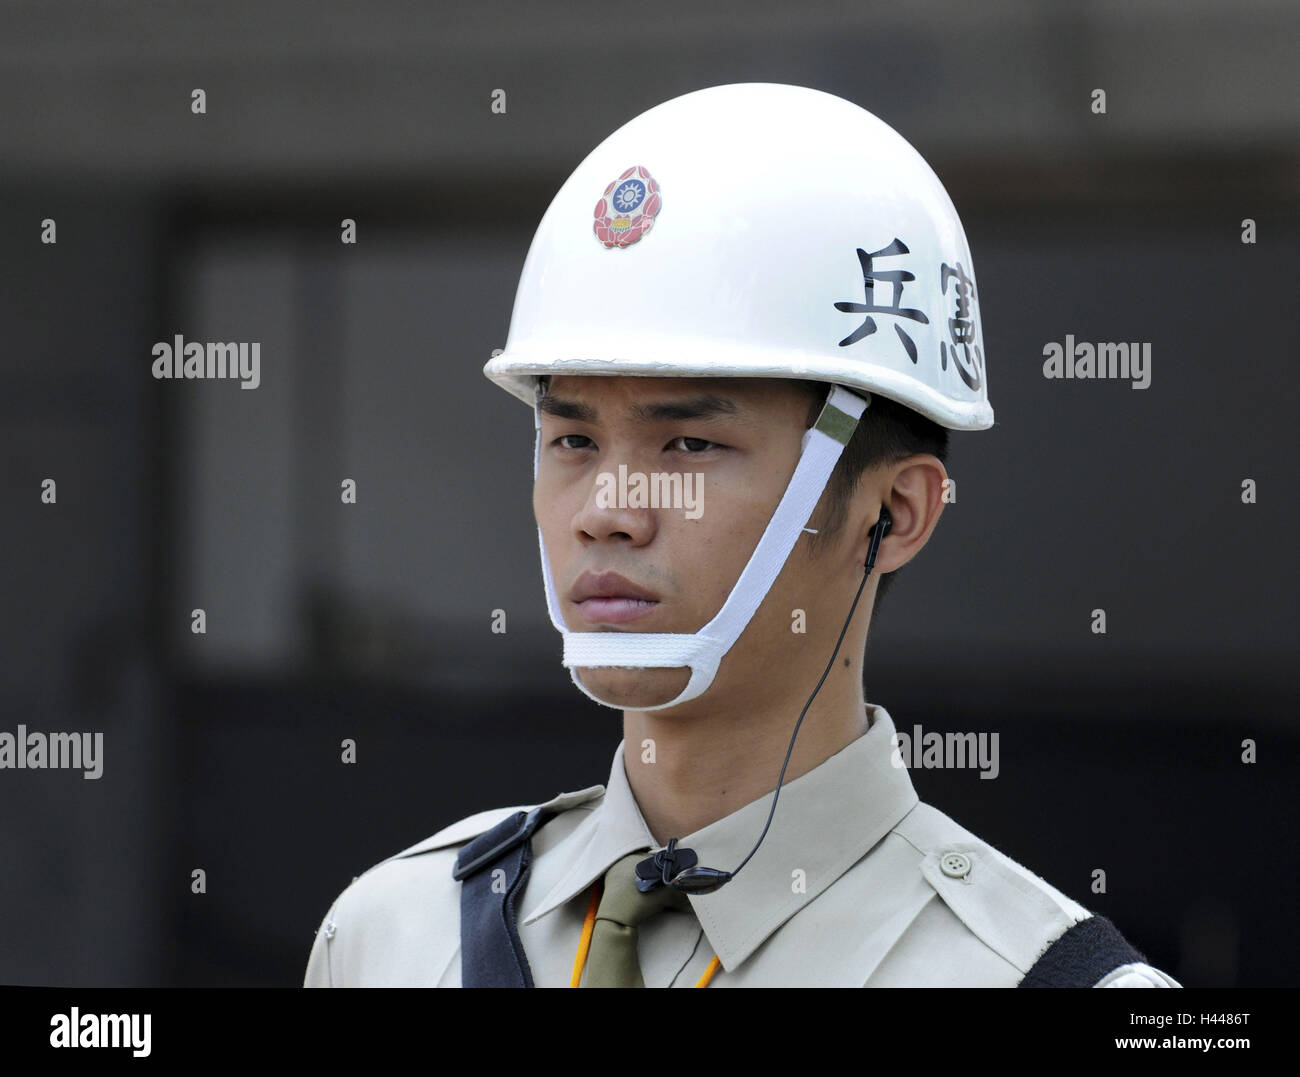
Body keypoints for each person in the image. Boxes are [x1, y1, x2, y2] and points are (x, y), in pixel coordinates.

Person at [304, 83, 1179, 988]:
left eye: (689, 443)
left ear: (898, 512)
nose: (607, 507)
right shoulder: (392, 938)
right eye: (573, 439)